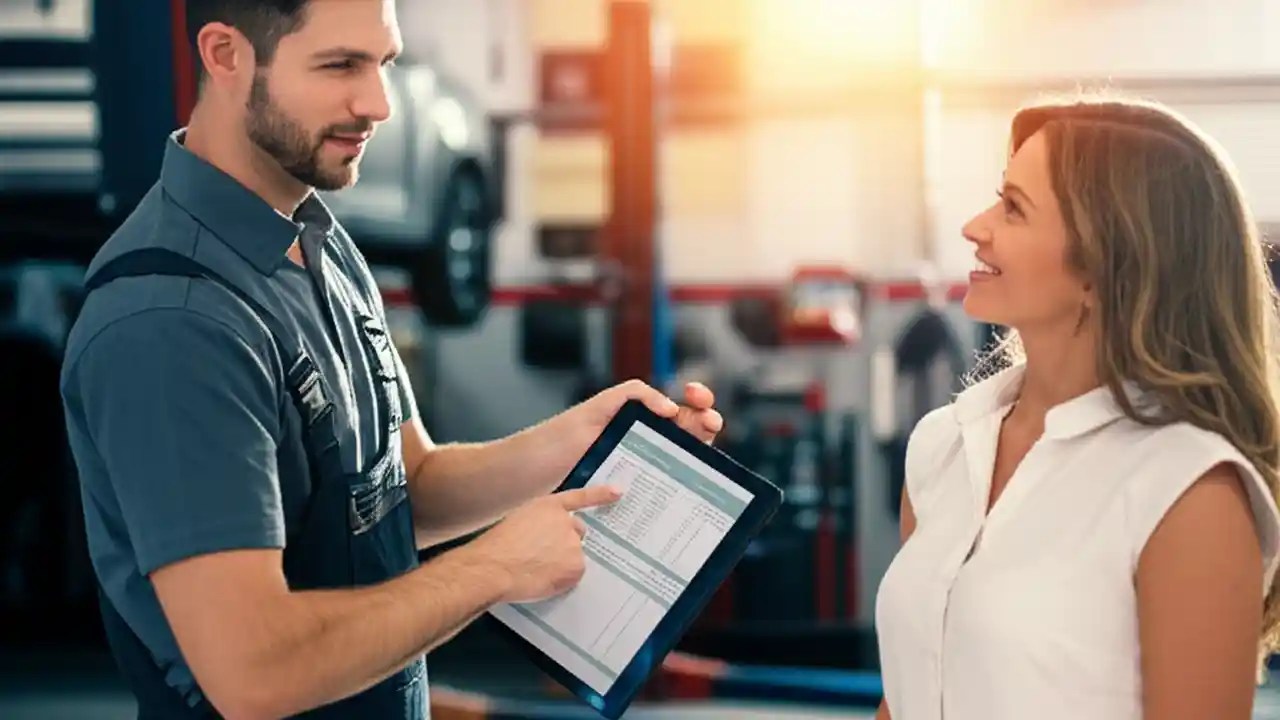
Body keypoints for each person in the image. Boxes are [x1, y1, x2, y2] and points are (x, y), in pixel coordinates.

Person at [57, 1, 723, 717]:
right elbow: (255, 672)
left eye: (385, 63)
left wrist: (573, 442)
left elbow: (404, 490)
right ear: (225, 56)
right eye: (340, 64)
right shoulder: (172, 320)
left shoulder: (319, 241)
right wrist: (494, 567)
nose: (377, 103)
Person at [874, 96, 1280, 720]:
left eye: (1014, 209)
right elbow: (912, 696)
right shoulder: (943, 445)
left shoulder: (1188, 489)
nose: (975, 226)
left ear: (1100, 263)